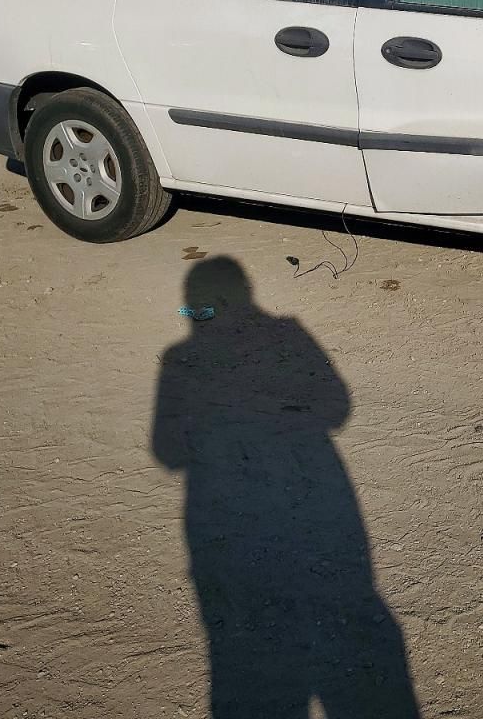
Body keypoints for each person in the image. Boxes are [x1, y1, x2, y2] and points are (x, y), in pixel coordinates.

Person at [152, 257, 419, 719]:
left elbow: (167, 451)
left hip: (228, 518)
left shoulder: (181, 357)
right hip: (317, 494)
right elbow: (337, 409)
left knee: (245, 649)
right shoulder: (289, 333)